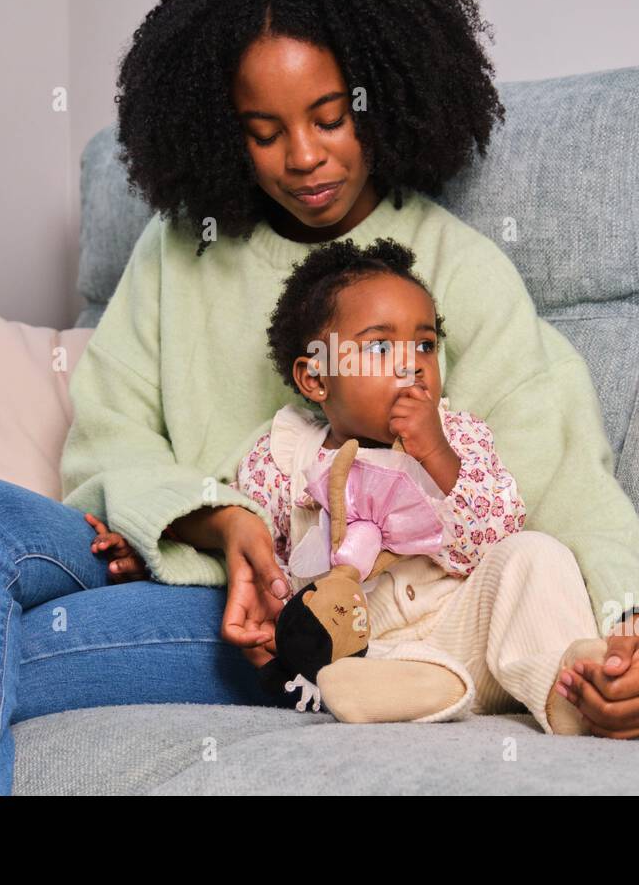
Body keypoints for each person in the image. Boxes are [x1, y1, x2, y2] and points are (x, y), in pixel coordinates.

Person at [0, 0, 639, 796]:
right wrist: (213, 519)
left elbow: (568, 489)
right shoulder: (176, 250)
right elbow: (106, 437)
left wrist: (632, 632)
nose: (303, 157)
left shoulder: (457, 272)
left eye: (331, 118)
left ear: (381, 100)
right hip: (158, 545)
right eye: (264, 132)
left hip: (303, 614)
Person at [225, 236, 610, 732]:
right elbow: (264, 566)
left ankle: (569, 686)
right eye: (380, 347)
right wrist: (276, 627)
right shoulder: (281, 459)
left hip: (467, 632)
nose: (412, 364)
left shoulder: (457, 438)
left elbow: (494, 537)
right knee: (343, 667)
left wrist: (438, 456)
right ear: (316, 378)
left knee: (537, 551)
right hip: (371, 647)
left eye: (425, 344)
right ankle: (417, 690)